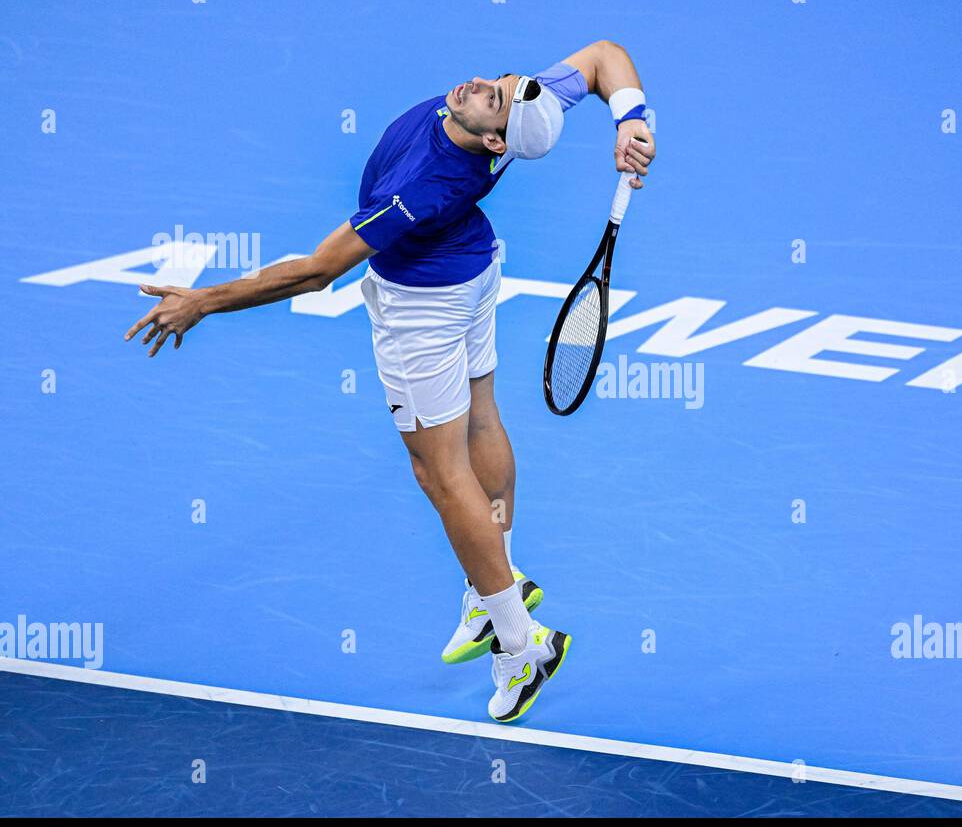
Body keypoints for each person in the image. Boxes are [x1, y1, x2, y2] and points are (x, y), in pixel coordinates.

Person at [124, 40, 656, 722]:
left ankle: (523, 646)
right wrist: (631, 118)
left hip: (422, 312)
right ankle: (495, 586)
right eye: (498, 80)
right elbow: (606, 54)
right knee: (483, 418)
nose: (483, 83)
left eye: (493, 97)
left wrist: (203, 301)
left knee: (438, 472)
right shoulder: (518, 108)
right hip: (473, 267)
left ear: (494, 140)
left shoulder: (424, 186)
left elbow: (318, 271)